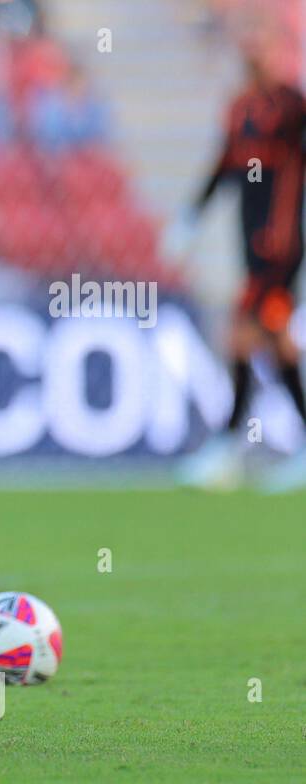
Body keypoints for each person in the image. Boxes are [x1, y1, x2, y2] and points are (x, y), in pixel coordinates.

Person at [170, 45, 306, 491]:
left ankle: (228, 444)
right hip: (250, 248)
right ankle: (245, 446)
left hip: (279, 251)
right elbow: (226, 166)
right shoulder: (240, 111)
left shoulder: (291, 108)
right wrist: (193, 215)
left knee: (243, 338)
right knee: (277, 346)